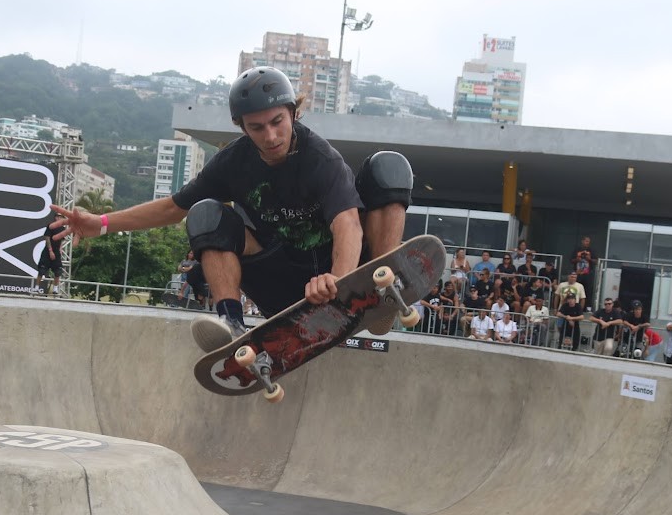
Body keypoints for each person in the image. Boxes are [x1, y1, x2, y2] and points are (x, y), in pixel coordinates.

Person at [50, 66, 410, 352]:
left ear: (293, 113)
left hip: (338, 281)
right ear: (241, 127)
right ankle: (232, 325)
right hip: (282, 279)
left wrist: (339, 280)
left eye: (277, 122)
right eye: (257, 128)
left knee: (388, 167)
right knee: (206, 212)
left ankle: (379, 291)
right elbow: (173, 208)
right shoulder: (232, 164)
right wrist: (101, 223)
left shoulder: (321, 160)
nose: (270, 136)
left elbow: (347, 222)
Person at [572, 235, 595, 303]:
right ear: (582, 241)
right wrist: (577, 259)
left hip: (588, 274)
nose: (587, 243)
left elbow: (596, 261)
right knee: (576, 289)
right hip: (578, 273)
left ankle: (587, 307)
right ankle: (575, 303)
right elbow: (571, 260)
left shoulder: (591, 250)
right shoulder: (577, 249)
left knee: (587, 290)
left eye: (588, 241)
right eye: (586, 241)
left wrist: (589, 259)